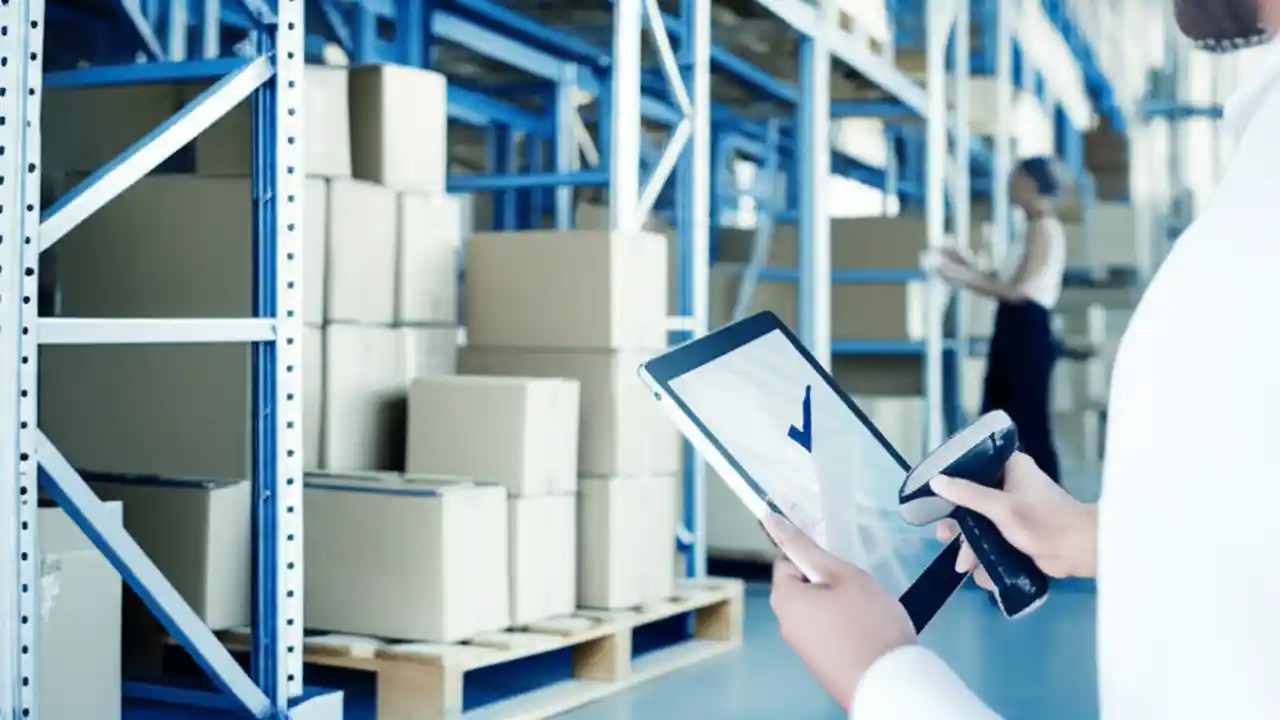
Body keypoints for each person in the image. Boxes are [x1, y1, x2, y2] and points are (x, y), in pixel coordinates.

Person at [764, 2, 1280, 718]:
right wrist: (1100, 539)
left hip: (1024, 325)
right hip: (1020, 332)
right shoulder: (1257, 159)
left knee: (1023, 418)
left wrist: (880, 674)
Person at [929, 157, 1068, 483]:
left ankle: (1046, 496)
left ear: (1031, 185)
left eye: (1016, 179)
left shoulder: (1044, 228)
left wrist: (961, 277)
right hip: (1014, 326)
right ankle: (1001, 493)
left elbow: (1018, 290)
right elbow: (1006, 279)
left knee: (1027, 420)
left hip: (1026, 329)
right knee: (999, 415)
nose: (1010, 187)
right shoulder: (1031, 227)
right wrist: (967, 264)